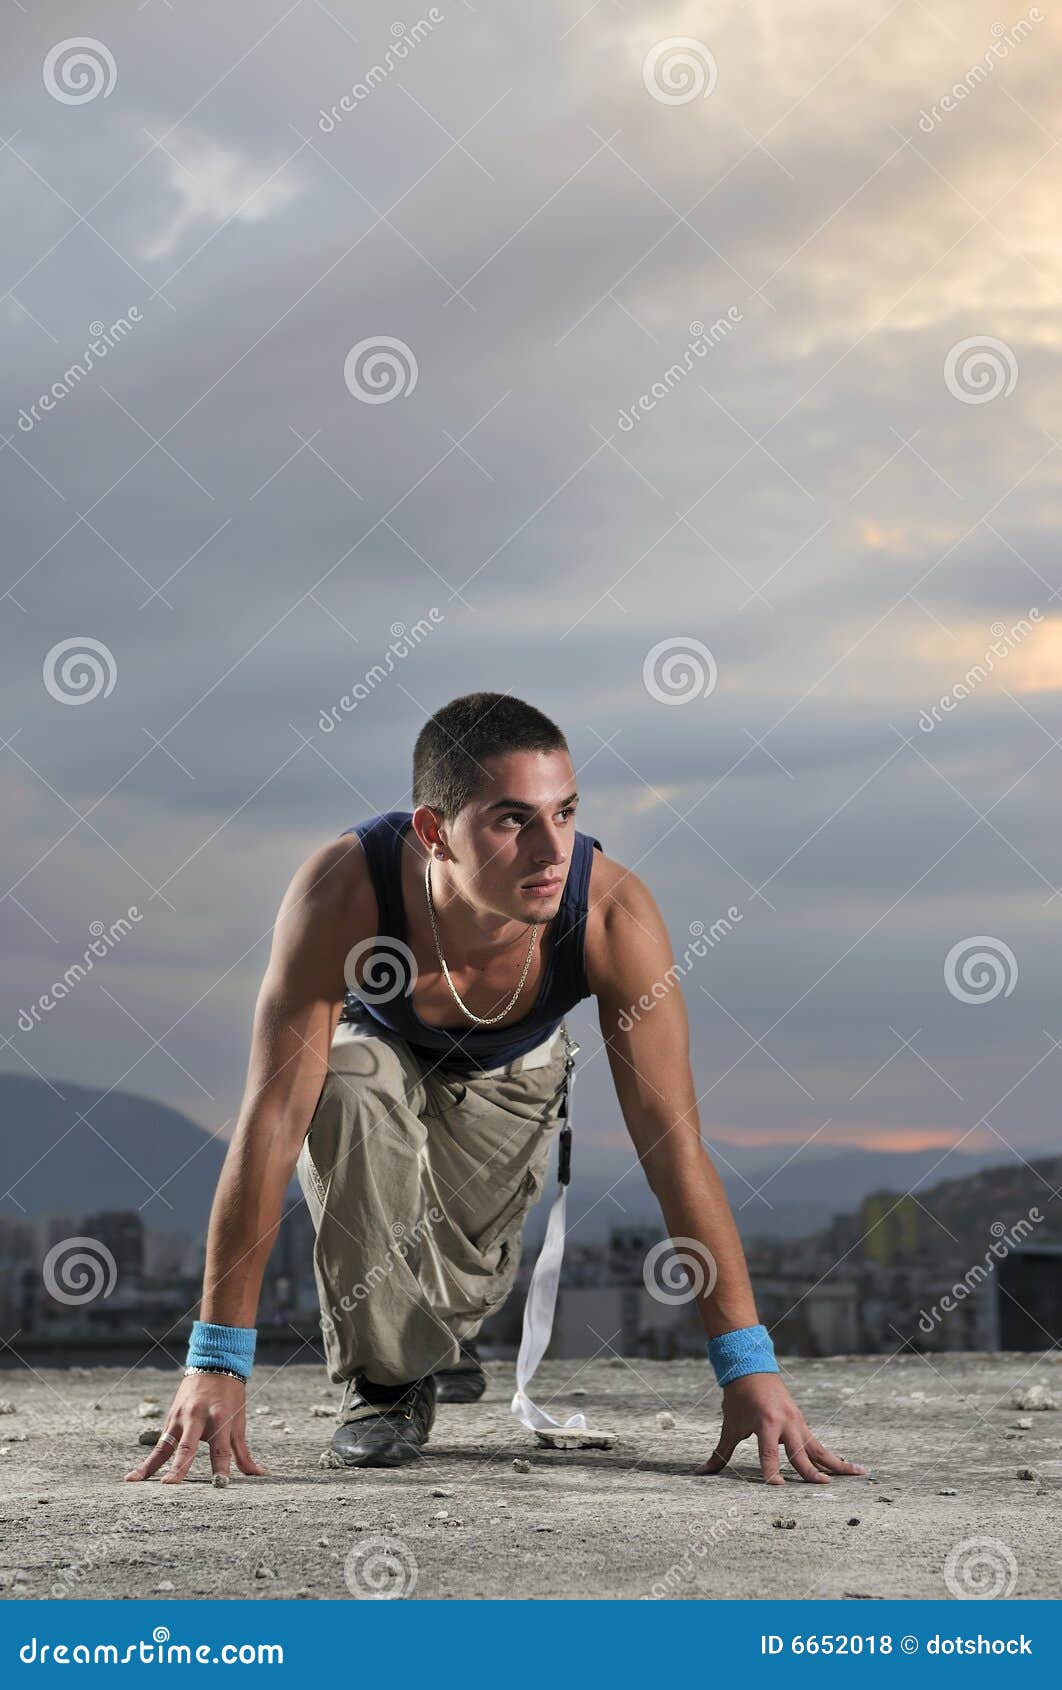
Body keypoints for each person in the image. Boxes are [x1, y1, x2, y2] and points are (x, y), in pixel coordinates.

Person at [124, 691, 867, 1485]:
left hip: (515, 1082)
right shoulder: (345, 893)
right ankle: (385, 1387)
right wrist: (217, 1364)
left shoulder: (611, 915)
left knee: (457, 1288)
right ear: (435, 830)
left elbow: (673, 1148)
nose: (551, 850)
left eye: (566, 812)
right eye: (513, 820)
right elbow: (272, 1122)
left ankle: (439, 1329)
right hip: (379, 1057)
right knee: (343, 1080)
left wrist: (748, 1368)